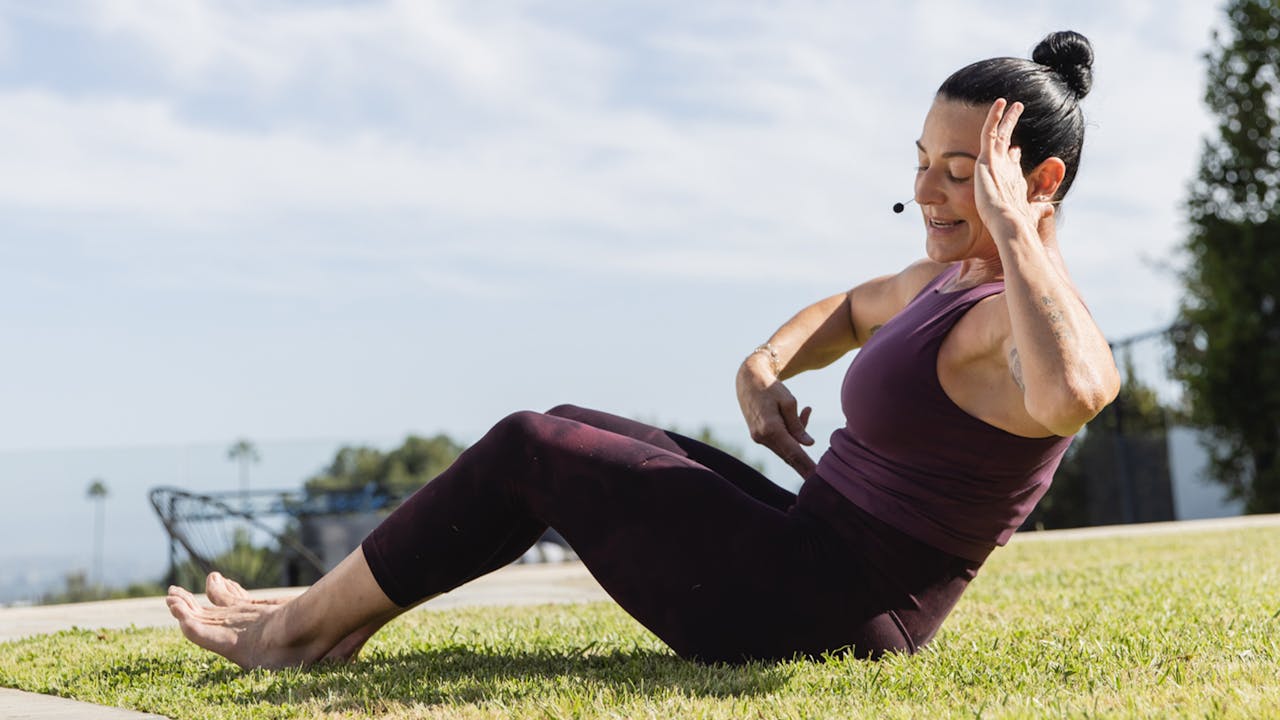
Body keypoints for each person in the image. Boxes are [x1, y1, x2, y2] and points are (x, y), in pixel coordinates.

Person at [166, 30, 1120, 670]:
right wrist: (763, 366)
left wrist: (1015, 225)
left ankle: (295, 633)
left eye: (960, 175)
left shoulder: (1019, 310)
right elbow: (849, 308)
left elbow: (1079, 389)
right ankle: (334, 619)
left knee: (528, 444)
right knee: (569, 425)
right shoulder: (943, 281)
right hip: (811, 550)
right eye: (919, 162)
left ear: (1039, 180)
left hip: (844, 610)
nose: (926, 192)